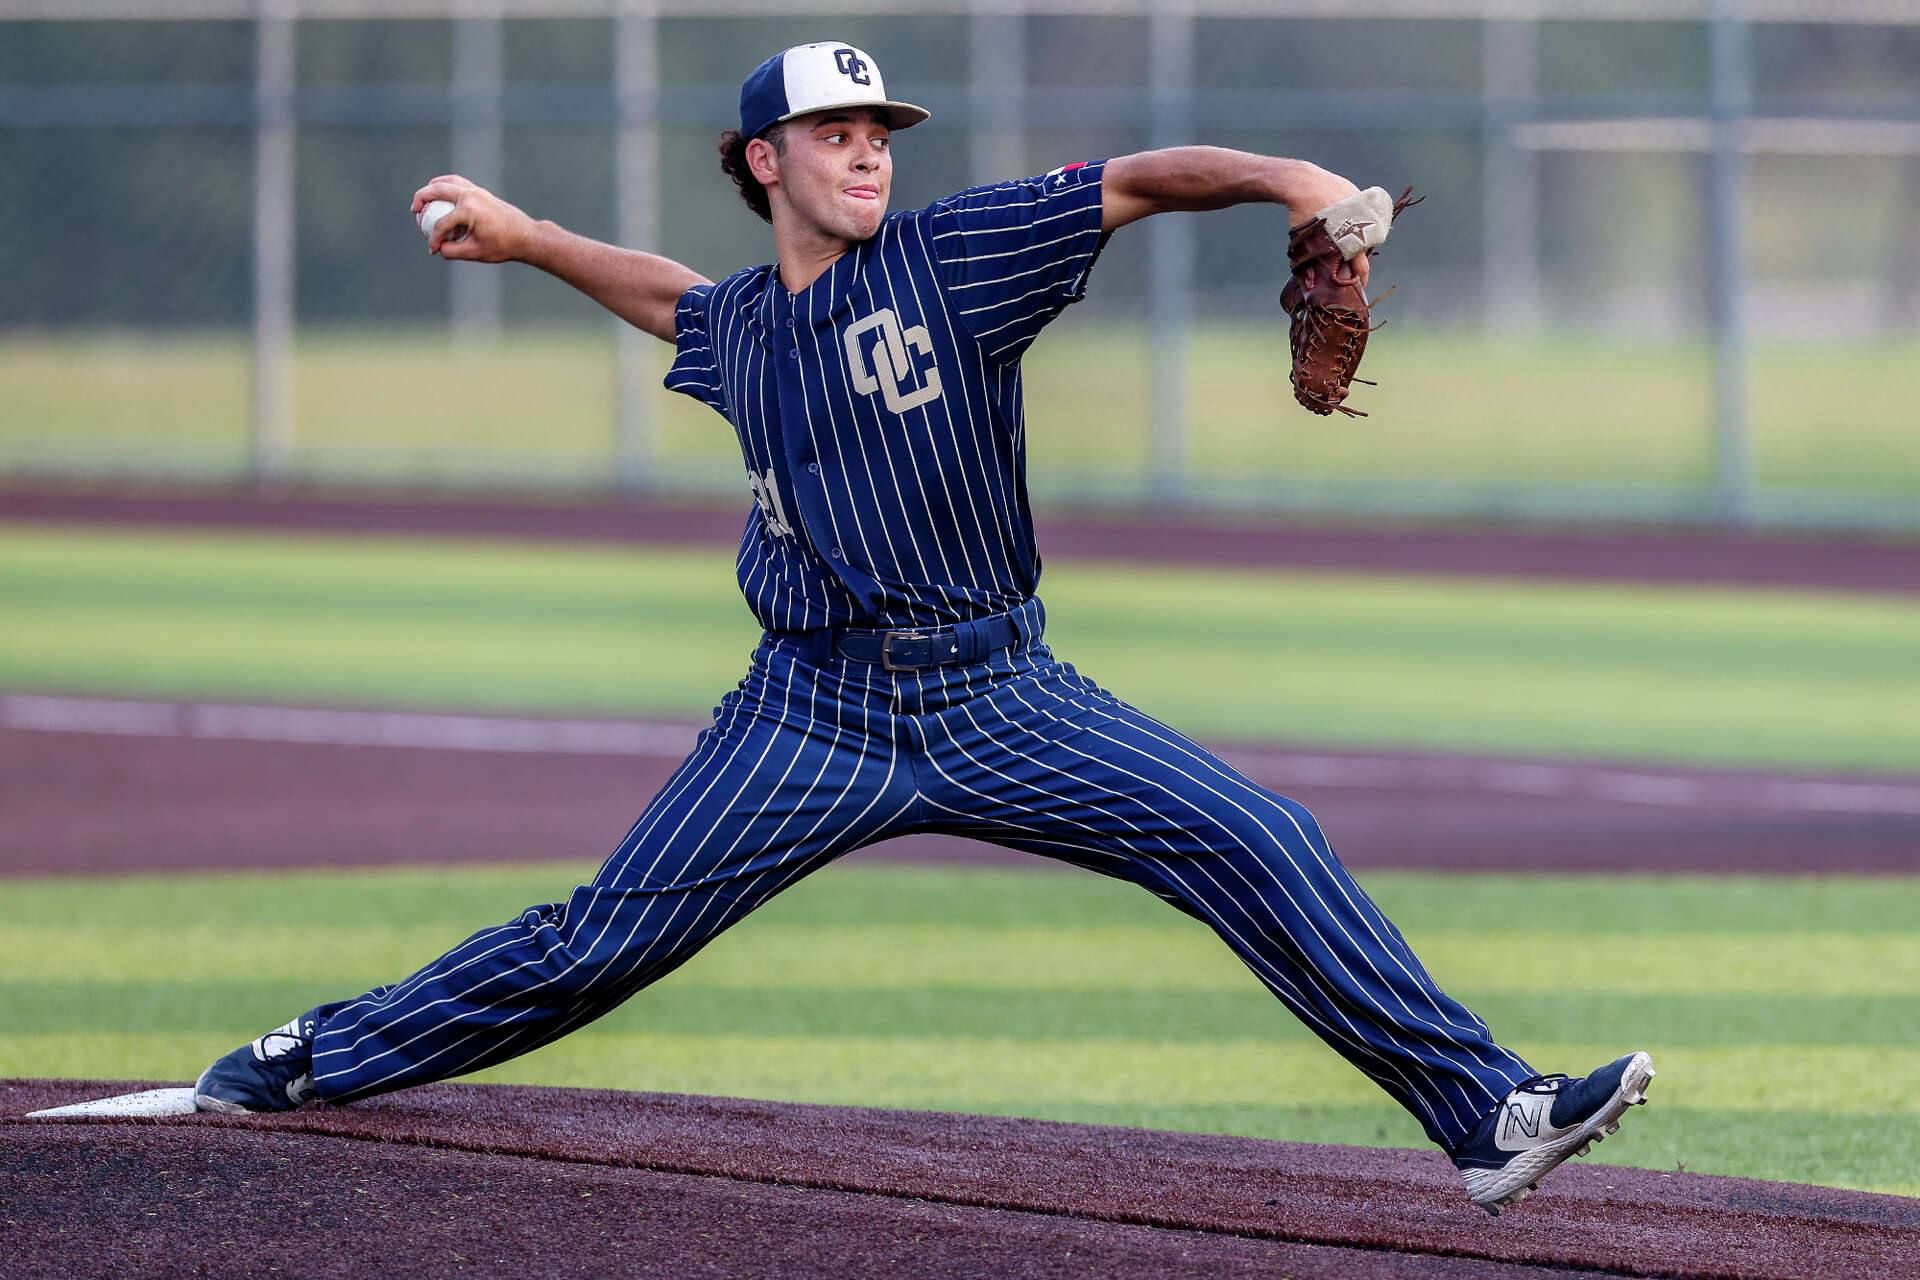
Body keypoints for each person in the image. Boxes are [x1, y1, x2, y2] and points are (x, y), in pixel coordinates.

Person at [194, 41, 1652, 1216]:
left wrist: (1290, 176)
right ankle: (318, 1052)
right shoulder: (750, 325)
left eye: (880, 125)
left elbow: (1140, 180)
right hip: (806, 713)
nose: (869, 146)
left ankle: (1491, 1114)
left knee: (1261, 838)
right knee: (595, 949)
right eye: (835, 131)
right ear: (766, 161)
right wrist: (525, 239)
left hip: (1002, 690)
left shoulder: (960, 254)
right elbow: (672, 301)